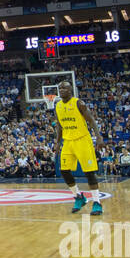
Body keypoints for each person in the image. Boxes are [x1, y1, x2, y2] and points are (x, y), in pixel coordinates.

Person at [54, 81, 104, 215]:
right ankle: (78, 197)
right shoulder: (57, 106)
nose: (61, 89)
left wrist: (98, 136)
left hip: (82, 140)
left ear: (70, 90)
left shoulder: (78, 103)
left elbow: (91, 120)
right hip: (68, 141)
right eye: (60, 88)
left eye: (64, 87)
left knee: (89, 173)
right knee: (64, 171)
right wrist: (57, 142)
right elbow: (59, 125)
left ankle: (97, 203)